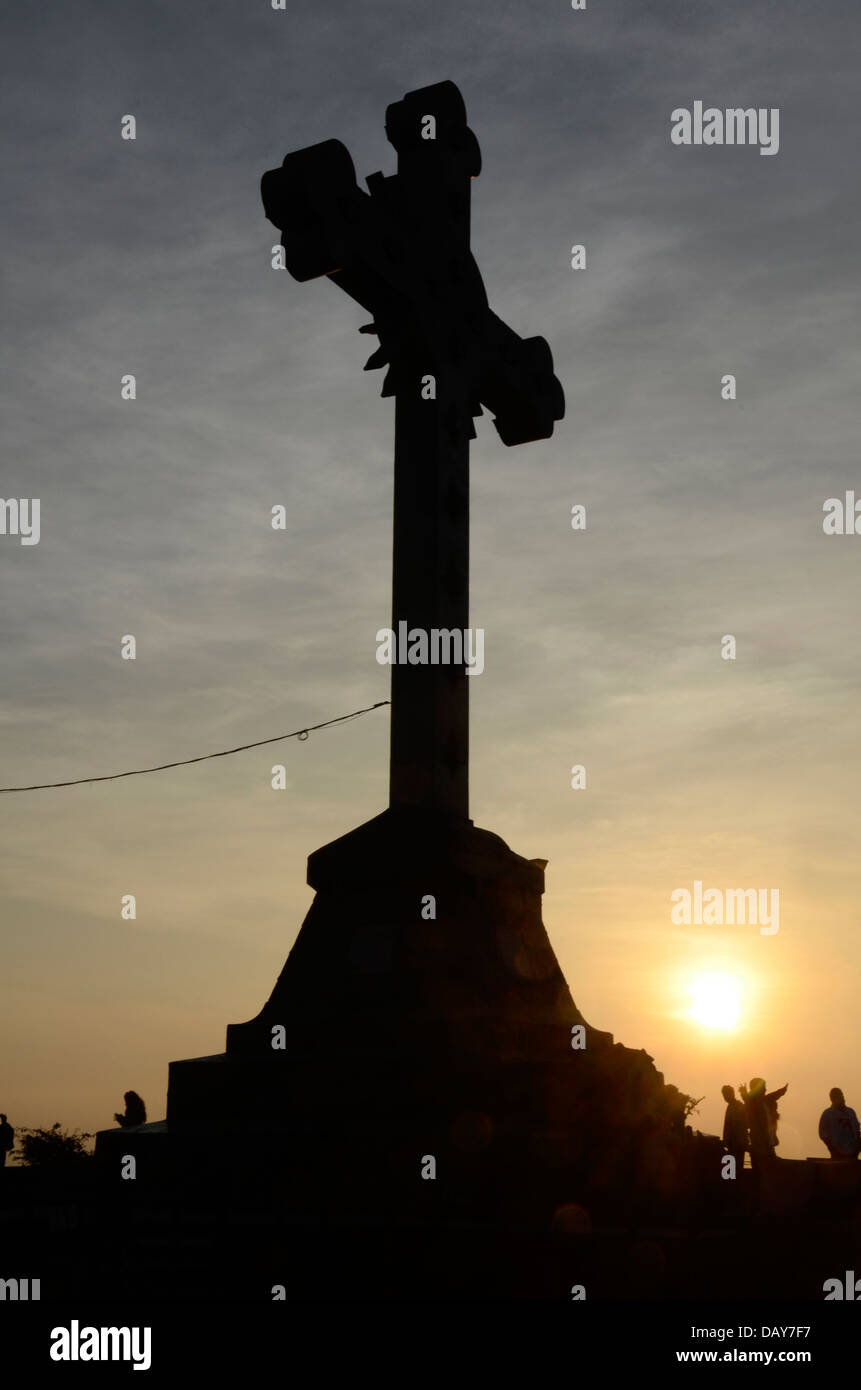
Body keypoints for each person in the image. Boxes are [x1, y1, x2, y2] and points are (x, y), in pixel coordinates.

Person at [741, 1077, 788, 1170]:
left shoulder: (763, 1101)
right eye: (763, 1087)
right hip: (760, 1145)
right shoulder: (753, 1104)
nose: (766, 1089)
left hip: (766, 1144)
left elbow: (773, 1096)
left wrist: (782, 1091)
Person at [819, 1088, 861, 1160]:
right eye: (837, 1096)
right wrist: (833, 1150)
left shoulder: (851, 1112)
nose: (841, 1097)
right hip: (837, 1155)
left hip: (853, 1155)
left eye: (841, 1095)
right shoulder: (828, 1114)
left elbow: (857, 1131)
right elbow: (823, 1135)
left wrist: (857, 1149)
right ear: (832, 1099)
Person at [721, 1085, 748, 1169]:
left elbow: (743, 1124)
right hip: (732, 1144)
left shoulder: (738, 1106)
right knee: (732, 1170)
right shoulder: (731, 1106)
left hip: (737, 1144)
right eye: (724, 1095)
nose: (725, 1097)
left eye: (726, 1094)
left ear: (732, 1094)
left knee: (735, 1170)